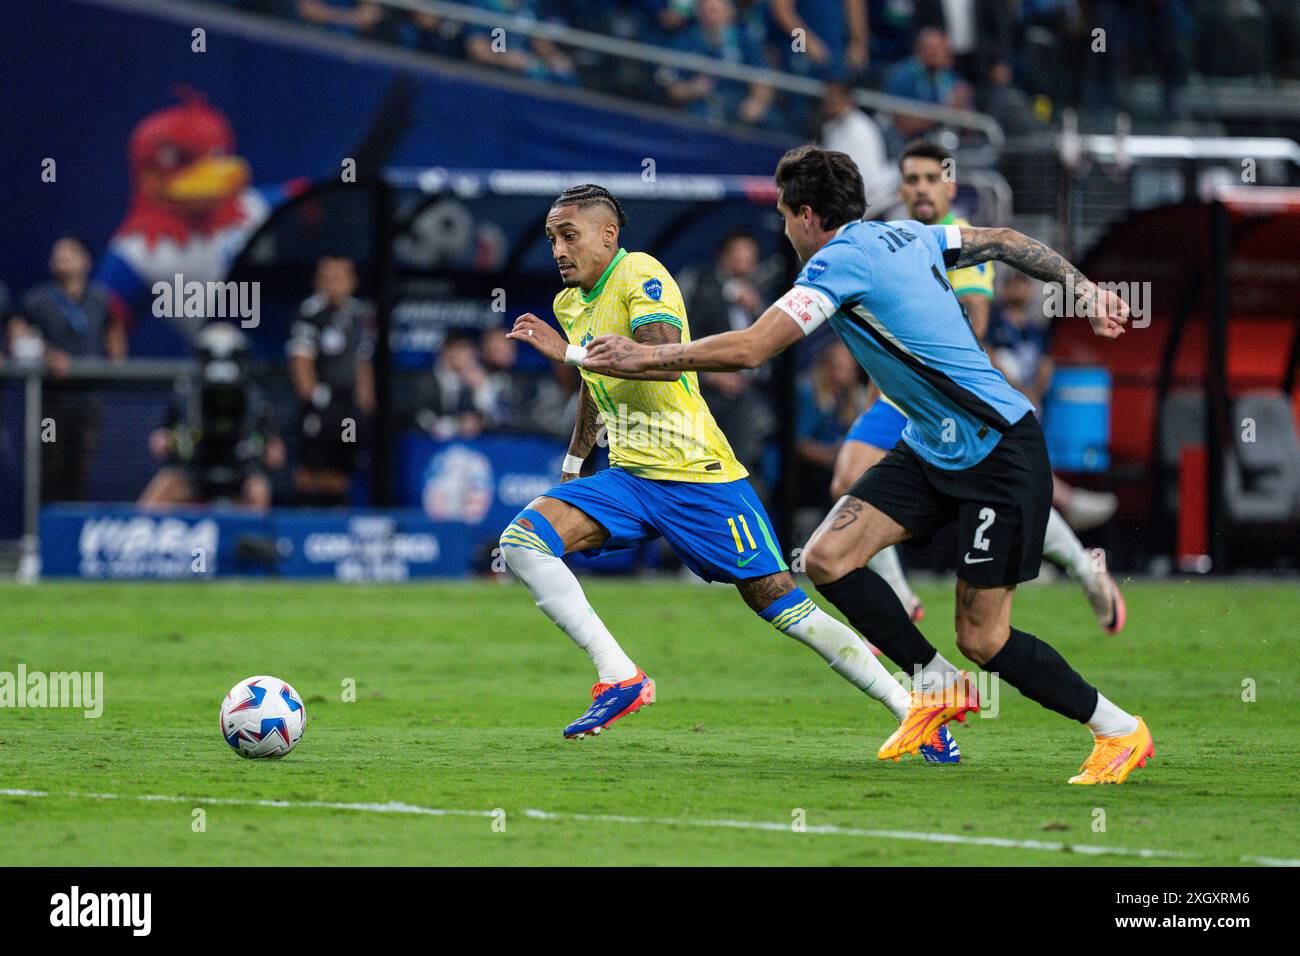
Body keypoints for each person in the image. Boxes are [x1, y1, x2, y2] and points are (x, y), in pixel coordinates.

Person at [584, 147, 1154, 784]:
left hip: (997, 448)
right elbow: (1003, 239)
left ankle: (1118, 728)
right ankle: (937, 685)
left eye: (782, 213)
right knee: (828, 557)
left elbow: (750, 350)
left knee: (983, 638)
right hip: (931, 446)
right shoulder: (903, 234)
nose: (781, 227)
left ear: (805, 215)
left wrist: (640, 358)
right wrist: (1083, 289)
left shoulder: (837, 263)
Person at [503, 183, 957, 761]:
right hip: (630, 476)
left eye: (569, 235)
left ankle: (914, 710)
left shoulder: (641, 273)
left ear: (608, 235)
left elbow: (661, 361)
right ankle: (619, 676)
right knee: (522, 541)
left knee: (782, 605)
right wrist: (573, 465)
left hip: (699, 476)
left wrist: (565, 354)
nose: (558, 250)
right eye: (551, 239)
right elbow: (599, 387)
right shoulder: (571, 304)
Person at [830, 140, 1126, 634]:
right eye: (911, 179)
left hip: (947, 393)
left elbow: (975, 322)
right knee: (848, 480)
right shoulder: (889, 239)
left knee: (972, 497)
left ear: (948, 187)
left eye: (930, 179)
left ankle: (1080, 565)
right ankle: (901, 597)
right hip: (899, 395)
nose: (920, 188)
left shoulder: (959, 243)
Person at [17, 236, 127, 502]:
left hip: (87, 404)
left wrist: (116, 362)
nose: (62, 259)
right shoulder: (37, 300)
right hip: (49, 405)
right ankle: (43, 530)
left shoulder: (100, 299)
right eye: (57, 254)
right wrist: (47, 354)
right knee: (47, 458)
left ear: (86, 262)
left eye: (69, 253)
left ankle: (70, 532)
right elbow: (18, 334)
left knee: (80, 464)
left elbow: (114, 329)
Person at [139, 323, 283, 511]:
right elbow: (161, 437)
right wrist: (166, 441)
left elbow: (276, 452)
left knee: (258, 489)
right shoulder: (186, 393)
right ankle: (141, 537)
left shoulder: (253, 395)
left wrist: (266, 448)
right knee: (163, 488)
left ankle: (255, 539)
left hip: (239, 472)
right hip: (194, 470)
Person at [680, 230, 778, 485]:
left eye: (749, 258)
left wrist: (756, 308)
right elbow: (685, 332)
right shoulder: (701, 286)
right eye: (738, 257)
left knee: (746, 463)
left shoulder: (761, 294)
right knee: (706, 463)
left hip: (750, 394)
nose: (744, 264)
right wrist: (708, 374)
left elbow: (778, 341)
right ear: (723, 257)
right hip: (709, 394)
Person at [286, 255, 375, 506]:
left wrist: (365, 404)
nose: (332, 285)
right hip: (322, 402)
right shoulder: (310, 313)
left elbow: (363, 361)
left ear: (352, 282)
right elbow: (300, 359)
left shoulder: (359, 314)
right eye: (327, 278)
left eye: (339, 279)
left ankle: (336, 516)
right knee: (312, 462)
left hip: (348, 405)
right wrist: (313, 398)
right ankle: (305, 516)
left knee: (345, 458)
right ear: (317, 281)